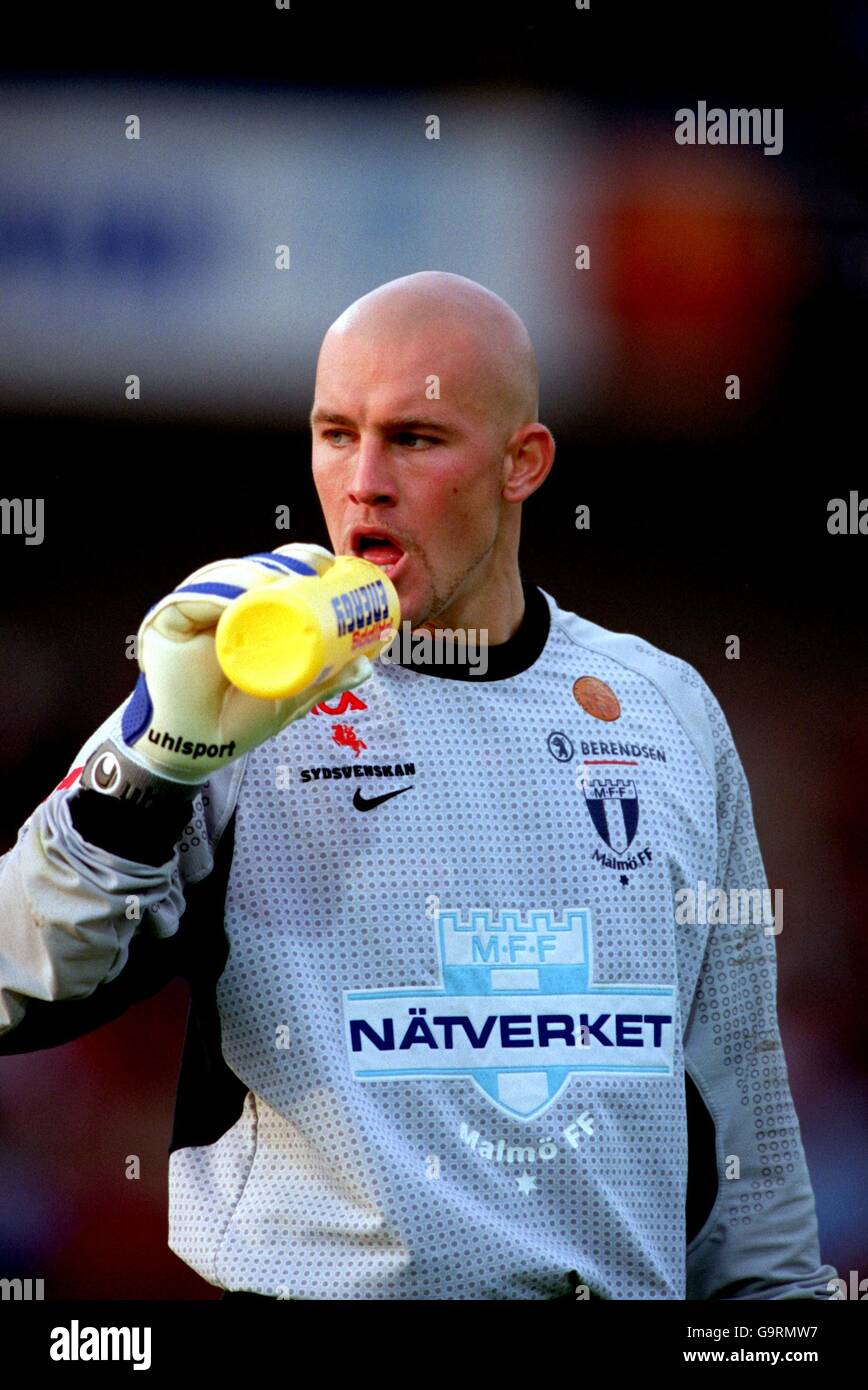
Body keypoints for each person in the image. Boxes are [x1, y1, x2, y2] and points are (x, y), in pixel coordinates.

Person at [0, 272, 837, 1300]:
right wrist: (147, 761)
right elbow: (12, 979)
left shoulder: (665, 707)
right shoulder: (222, 703)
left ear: (522, 463)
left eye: (415, 438)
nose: (361, 483)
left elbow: (743, 1121)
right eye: (334, 432)